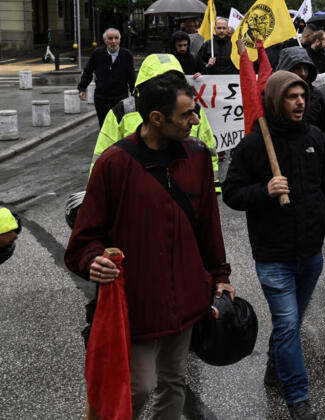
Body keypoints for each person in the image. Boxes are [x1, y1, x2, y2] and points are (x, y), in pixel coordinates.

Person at [65, 75, 233, 419]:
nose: (196, 121)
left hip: (186, 296)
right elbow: (84, 239)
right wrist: (92, 259)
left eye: (195, 111)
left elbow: (207, 226)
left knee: (174, 382)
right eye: (187, 115)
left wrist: (220, 274)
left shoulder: (198, 157)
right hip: (135, 302)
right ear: (157, 118)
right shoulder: (114, 164)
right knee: (138, 386)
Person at [223, 71, 325, 420]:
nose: (300, 102)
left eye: (303, 96)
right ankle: (297, 397)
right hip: (274, 255)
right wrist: (265, 190)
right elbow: (231, 193)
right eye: (291, 96)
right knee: (289, 323)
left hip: (310, 254)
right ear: (276, 100)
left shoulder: (315, 138)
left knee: (288, 325)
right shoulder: (252, 145)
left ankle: (274, 368)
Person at [89, 54, 220, 192]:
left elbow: (208, 149)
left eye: (175, 81)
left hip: (183, 191)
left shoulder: (193, 110)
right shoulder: (122, 111)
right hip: (135, 194)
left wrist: (213, 186)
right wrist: (98, 192)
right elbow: (102, 156)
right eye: (165, 80)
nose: (194, 120)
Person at [78, 27, 136, 126]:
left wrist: (134, 93)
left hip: (120, 97)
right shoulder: (97, 53)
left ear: (119, 40)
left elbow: (131, 76)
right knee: (104, 125)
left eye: (116, 38)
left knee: (119, 125)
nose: (113, 41)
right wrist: (82, 88)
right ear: (105, 40)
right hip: (102, 98)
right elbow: (88, 71)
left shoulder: (126, 54)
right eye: (110, 38)